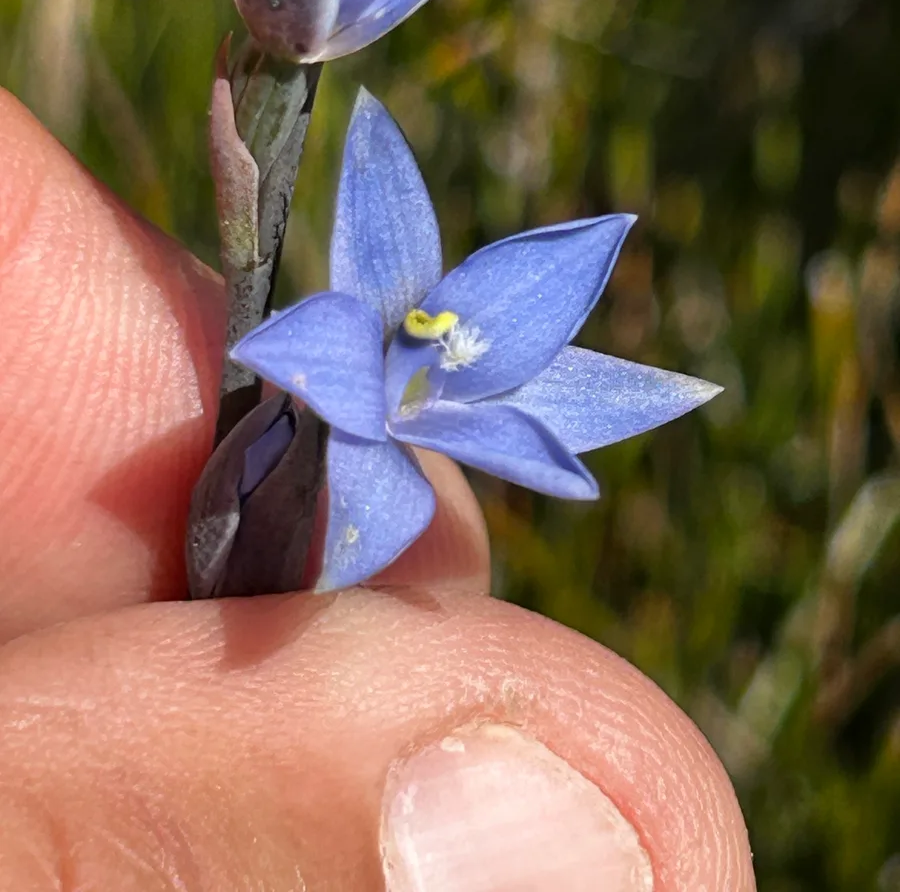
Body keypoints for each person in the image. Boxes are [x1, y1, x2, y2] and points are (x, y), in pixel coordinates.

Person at [0, 87, 755, 890]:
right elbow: (301, 360)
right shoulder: (337, 370)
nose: (429, 337)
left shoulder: (439, 443)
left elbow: (369, 518)